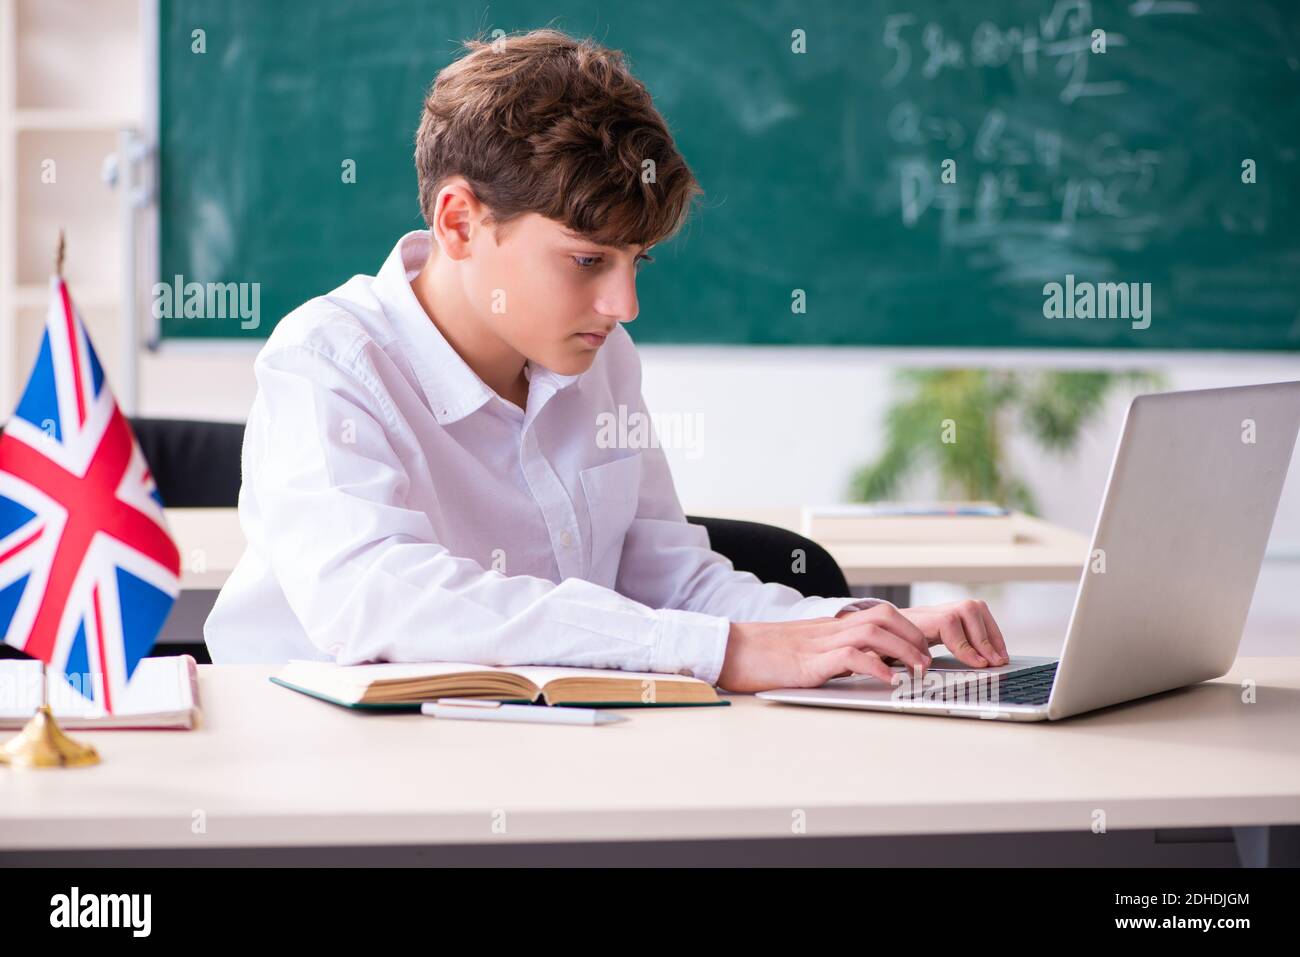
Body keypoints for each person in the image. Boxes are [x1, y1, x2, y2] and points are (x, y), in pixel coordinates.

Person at [204, 28, 1009, 692]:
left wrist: (849, 629)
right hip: (336, 776)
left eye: (638, 262)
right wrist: (724, 649)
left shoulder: (601, 358)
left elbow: (669, 579)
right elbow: (377, 602)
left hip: (548, 750)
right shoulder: (328, 359)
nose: (625, 307)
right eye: (589, 261)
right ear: (459, 223)